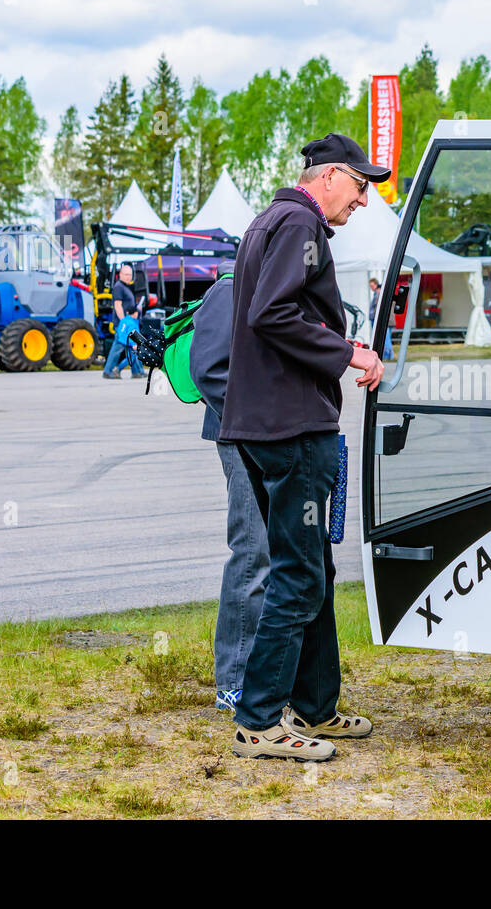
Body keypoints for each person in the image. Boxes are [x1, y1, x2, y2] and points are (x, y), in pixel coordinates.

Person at [219, 132, 387, 762]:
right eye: (361, 186)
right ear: (330, 175)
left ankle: (314, 707)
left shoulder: (268, 221)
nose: (364, 201)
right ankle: (260, 719)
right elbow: (271, 312)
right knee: (298, 574)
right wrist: (349, 352)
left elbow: (265, 315)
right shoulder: (300, 224)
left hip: (263, 426)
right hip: (293, 431)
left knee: (310, 565)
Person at [187, 266, 268, 714]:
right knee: (253, 553)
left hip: (274, 438)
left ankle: (265, 671)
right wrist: (256, 419)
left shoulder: (276, 284)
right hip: (240, 438)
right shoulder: (230, 288)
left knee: (275, 556)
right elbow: (209, 370)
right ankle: (233, 680)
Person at [103, 264, 145, 379]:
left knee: (131, 347)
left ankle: (137, 372)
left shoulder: (126, 287)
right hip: (123, 324)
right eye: (126, 274)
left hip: (128, 323)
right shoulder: (119, 287)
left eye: (130, 275)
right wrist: (124, 322)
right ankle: (108, 371)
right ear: (120, 274)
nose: (128, 277)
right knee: (118, 348)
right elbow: (118, 305)